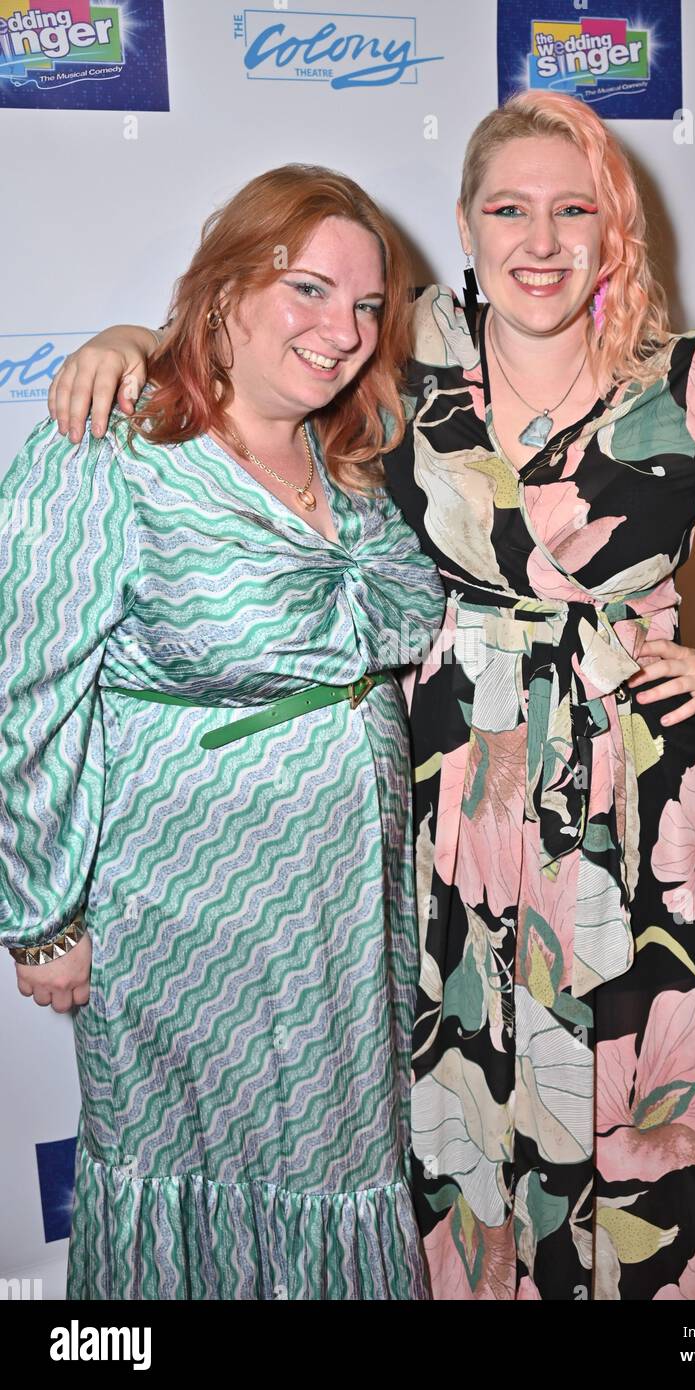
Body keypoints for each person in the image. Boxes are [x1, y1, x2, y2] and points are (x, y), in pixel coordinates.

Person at [46, 92, 695, 1301]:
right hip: (459, 798)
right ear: (467, 225)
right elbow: (256, 369)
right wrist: (127, 338)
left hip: (648, 801)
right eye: (508, 209)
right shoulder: (404, 348)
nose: (539, 239)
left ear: (612, 230)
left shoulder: (680, 379)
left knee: (650, 1106)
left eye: (571, 209)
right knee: (475, 1102)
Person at [0, 164, 446, 1301]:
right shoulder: (107, 447)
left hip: (346, 904)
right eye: (306, 288)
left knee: (341, 1164)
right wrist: (42, 917)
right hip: (182, 903)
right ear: (225, 291)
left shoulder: (356, 458)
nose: (339, 329)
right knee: (181, 1167)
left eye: (362, 304)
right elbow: (27, 690)